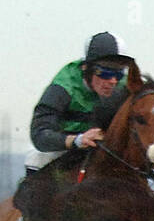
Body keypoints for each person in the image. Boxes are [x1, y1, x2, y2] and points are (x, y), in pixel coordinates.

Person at [26, 32, 135, 174]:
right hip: (64, 147)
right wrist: (77, 140)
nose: (113, 81)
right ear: (86, 68)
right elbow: (39, 135)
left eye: (119, 73)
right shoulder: (64, 87)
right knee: (37, 158)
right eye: (105, 73)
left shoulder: (124, 86)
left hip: (104, 148)